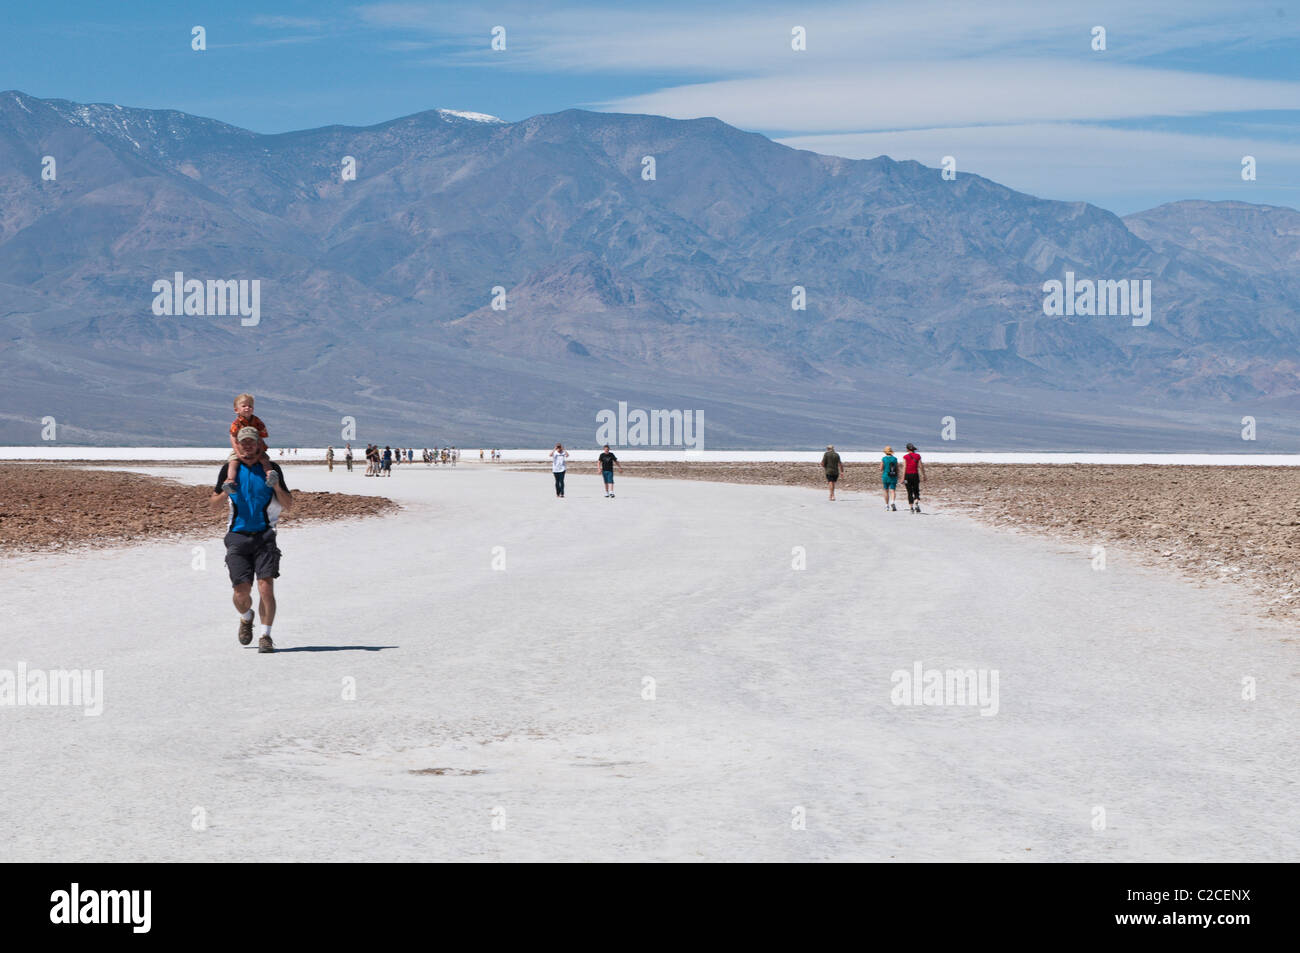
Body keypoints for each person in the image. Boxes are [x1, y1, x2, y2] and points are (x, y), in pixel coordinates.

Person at [210, 427, 293, 654]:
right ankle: (246, 617)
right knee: (241, 592)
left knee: (266, 588)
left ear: (258, 444)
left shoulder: (271, 470)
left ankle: (266, 635)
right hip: (237, 536)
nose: (248, 445)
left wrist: (275, 485)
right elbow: (213, 503)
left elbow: (288, 504)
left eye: (252, 442)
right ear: (238, 444)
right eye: (243, 442)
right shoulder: (229, 470)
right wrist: (225, 492)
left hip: (265, 535)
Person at [223, 393, 272, 493]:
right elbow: (233, 438)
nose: (247, 408)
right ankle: (230, 480)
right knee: (233, 462)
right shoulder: (236, 423)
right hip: (240, 448)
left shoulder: (257, 421)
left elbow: (261, 437)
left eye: (250, 406)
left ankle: (270, 475)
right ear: (236, 410)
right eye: (244, 406)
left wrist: (259, 452)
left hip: (256, 447)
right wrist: (238, 453)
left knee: (265, 460)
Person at [903, 442, 926, 513]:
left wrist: (903, 477)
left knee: (909, 491)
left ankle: (911, 508)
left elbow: (904, 467)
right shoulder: (917, 456)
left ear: (907, 449)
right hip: (915, 475)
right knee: (916, 490)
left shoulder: (905, 457)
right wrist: (923, 474)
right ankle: (916, 502)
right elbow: (921, 466)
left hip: (907, 475)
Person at [881, 445, 900, 511]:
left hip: (885, 476)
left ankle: (887, 505)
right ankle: (892, 502)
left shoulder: (884, 459)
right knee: (893, 490)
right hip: (893, 476)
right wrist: (898, 476)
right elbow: (897, 468)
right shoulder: (895, 459)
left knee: (886, 490)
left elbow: (881, 468)